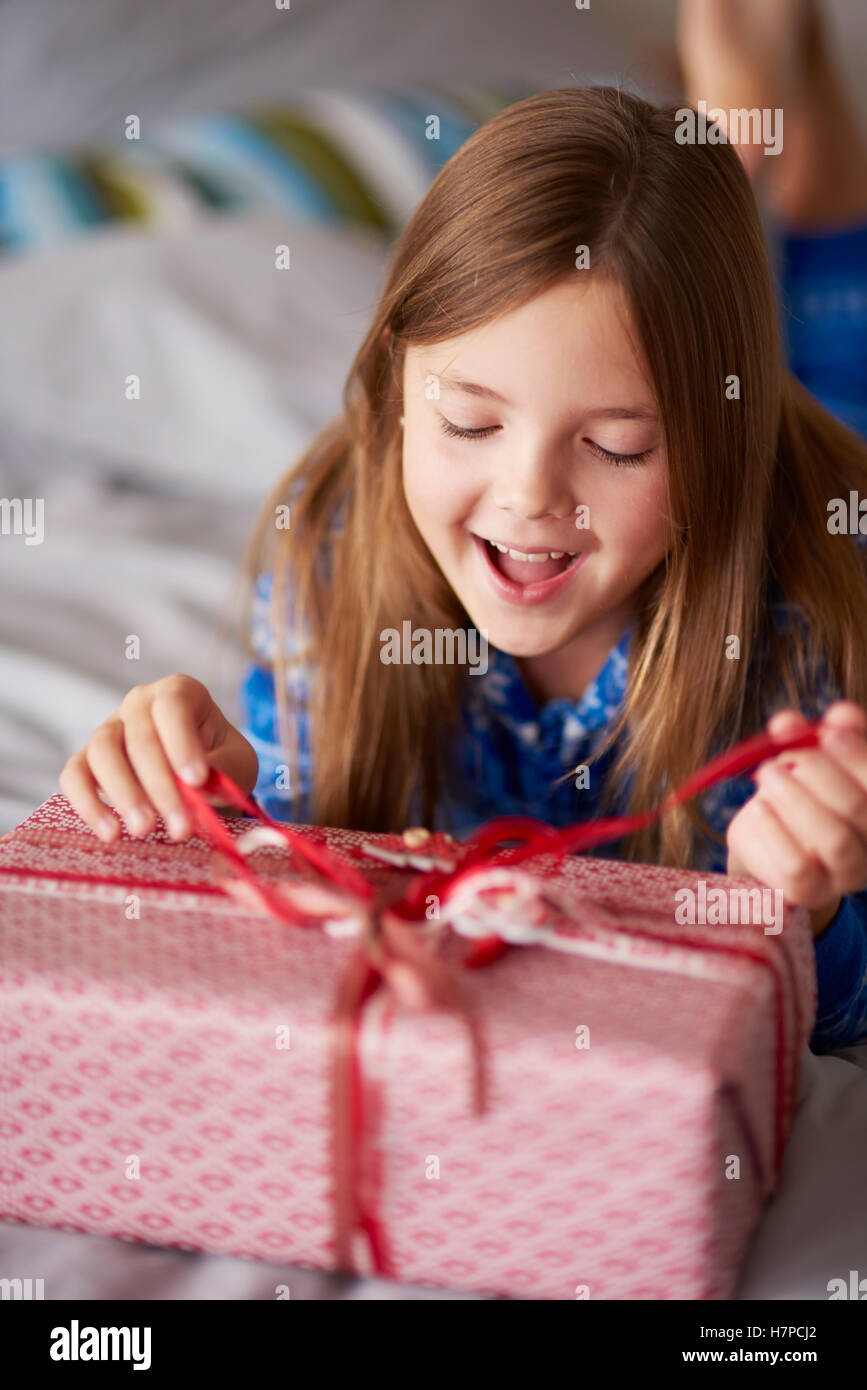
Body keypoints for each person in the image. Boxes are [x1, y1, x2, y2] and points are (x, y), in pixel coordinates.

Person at [59, 2, 867, 1049]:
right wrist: (221, 800)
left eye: (617, 447)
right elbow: (306, 870)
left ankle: (761, 104)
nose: (528, 495)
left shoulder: (808, 612)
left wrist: (803, 909)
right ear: (398, 382)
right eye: (471, 422)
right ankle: (734, 133)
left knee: (827, 334)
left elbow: (848, 1008)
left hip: (807, 444)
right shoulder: (337, 552)